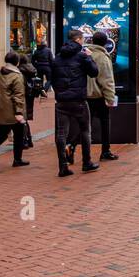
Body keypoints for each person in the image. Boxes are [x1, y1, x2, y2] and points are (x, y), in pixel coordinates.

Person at [50, 29, 99, 177]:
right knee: (85, 130)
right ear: (78, 39)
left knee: (61, 134)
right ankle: (86, 162)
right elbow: (94, 72)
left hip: (61, 101)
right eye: (82, 38)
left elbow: (53, 78)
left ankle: (63, 166)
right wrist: (90, 58)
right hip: (78, 100)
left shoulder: (57, 57)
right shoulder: (82, 56)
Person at [85, 30, 118, 162]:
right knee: (105, 123)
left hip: (85, 95)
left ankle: (73, 146)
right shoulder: (103, 57)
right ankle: (105, 151)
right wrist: (110, 98)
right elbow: (107, 80)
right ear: (106, 43)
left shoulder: (85, 54)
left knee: (85, 125)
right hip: (98, 96)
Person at [18, 52, 40, 148]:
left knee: (21, 119)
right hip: (29, 95)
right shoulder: (31, 68)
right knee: (24, 118)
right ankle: (28, 139)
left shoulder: (20, 70)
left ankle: (25, 140)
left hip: (23, 95)